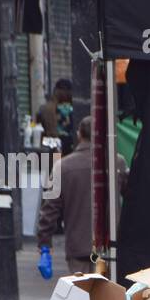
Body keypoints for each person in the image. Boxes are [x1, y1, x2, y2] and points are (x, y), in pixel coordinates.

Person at [36, 117, 127, 278]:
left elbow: (49, 209)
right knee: (109, 297)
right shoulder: (117, 162)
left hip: (78, 247)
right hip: (110, 246)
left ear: (79, 135)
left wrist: (45, 243)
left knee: (83, 296)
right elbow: (131, 198)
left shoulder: (62, 167)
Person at [36, 79, 75, 153]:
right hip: (54, 149)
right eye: (69, 92)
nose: (70, 95)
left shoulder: (67, 107)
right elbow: (51, 133)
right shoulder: (49, 108)